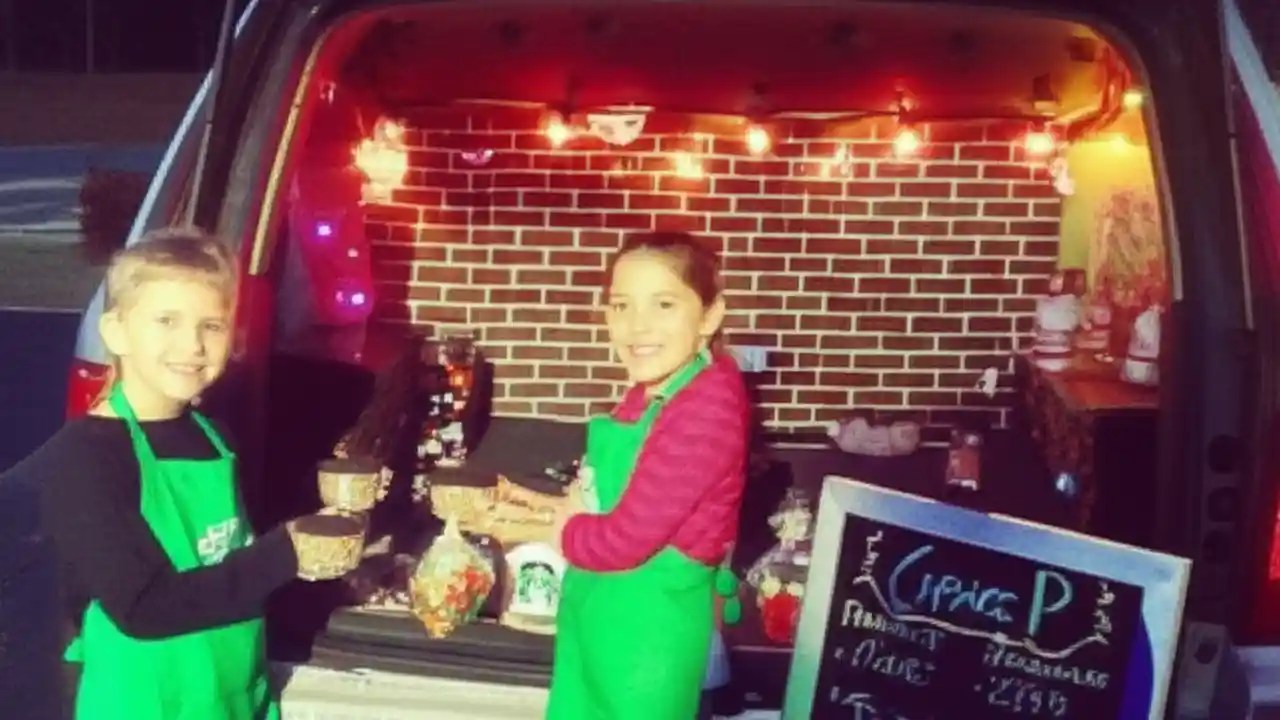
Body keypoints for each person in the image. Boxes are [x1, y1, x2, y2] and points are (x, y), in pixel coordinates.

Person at [14, 228, 343, 719]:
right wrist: (285, 553)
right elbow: (144, 608)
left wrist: (319, 561)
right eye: (166, 320)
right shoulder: (87, 458)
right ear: (116, 331)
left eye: (212, 325)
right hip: (148, 702)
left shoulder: (213, 436)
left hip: (232, 692)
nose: (191, 344)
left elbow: (226, 560)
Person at [546, 231, 750, 720]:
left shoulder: (706, 410)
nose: (637, 325)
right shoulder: (654, 392)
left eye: (664, 304)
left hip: (646, 643)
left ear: (709, 317)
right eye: (621, 306)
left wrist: (566, 532)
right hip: (607, 624)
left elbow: (623, 541)